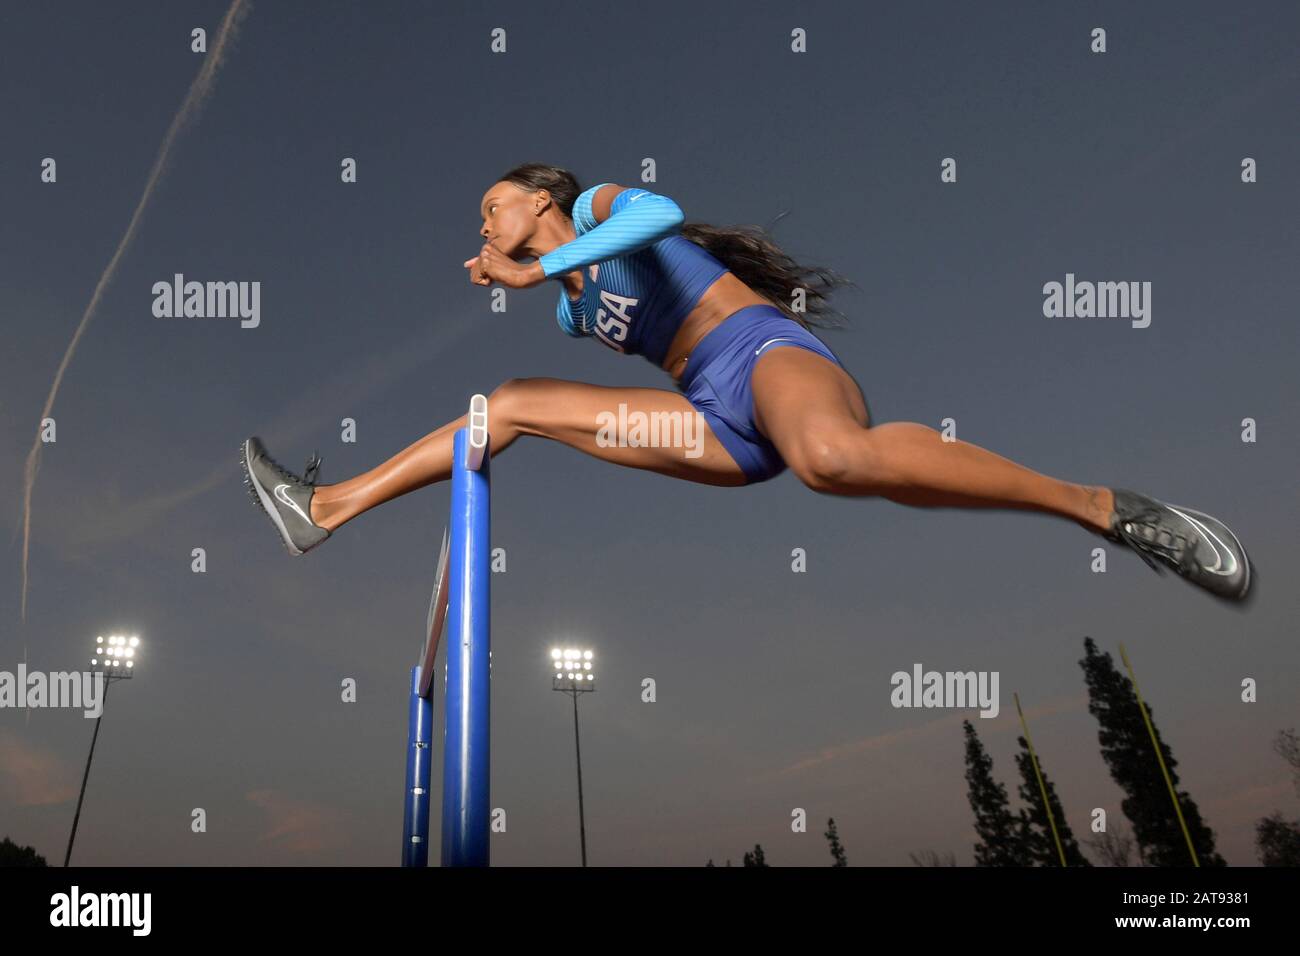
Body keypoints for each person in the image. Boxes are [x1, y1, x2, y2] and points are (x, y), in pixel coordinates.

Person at [240, 162, 1253, 602]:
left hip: (770, 366)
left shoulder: (593, 207)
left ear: (538, 198)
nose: (483, 225)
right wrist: (546, 286)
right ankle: (325, 504)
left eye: (490, 207)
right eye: (480, 223)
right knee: (506, 404)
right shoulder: (562, 303)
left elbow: (663, 214)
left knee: (830, 459)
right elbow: (624, 328)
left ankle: (1105, 508)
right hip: (711, 426)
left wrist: (539, 261)